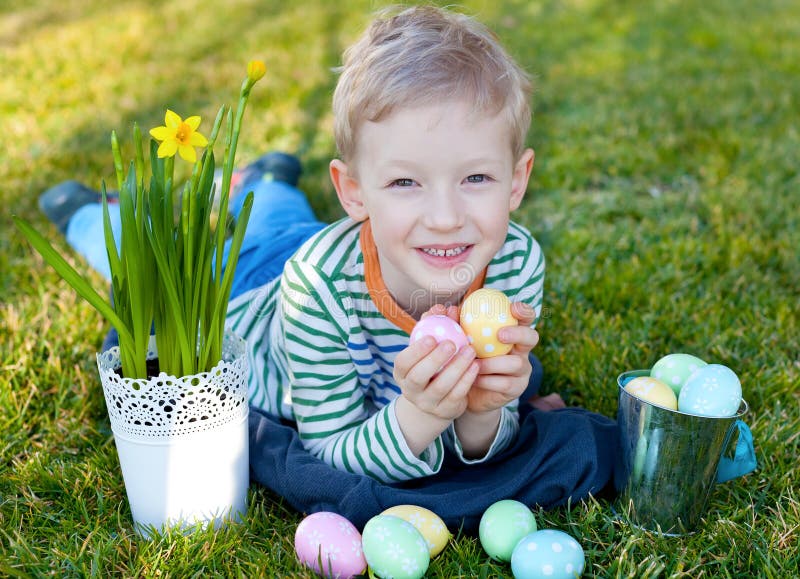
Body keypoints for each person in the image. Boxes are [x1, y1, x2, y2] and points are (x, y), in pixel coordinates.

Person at [40, 6, 618, 531]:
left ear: (516, 180)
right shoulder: (315, 289)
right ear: (354, 190)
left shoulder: (514, 262)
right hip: (250, 289)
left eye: (476, 178)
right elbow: (332, 447)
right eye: (405, 182)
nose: (446, 218)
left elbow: (490, 433)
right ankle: (87, 215)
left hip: (332, 244)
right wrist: (417, 417)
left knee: (277, 218)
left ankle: (267, 181)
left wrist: (481, 415)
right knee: (161, 255)